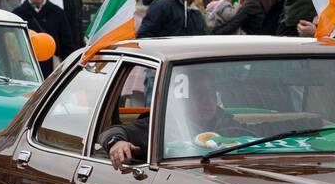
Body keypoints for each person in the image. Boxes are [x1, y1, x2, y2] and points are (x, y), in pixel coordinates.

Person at [100, 66, 245, 168]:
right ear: (184, 98)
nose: (207, 99)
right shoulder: (163, 124)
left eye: (211, 92)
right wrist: (116, 143)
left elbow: (254, 137)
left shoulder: (227, 122)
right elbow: (111, 132)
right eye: (198, 93)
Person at [12, 0, 76, 78]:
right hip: (26, 63)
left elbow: (66, 41)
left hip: (52, 63)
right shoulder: (18, 13)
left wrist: (69, 65)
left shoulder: (57, 12)